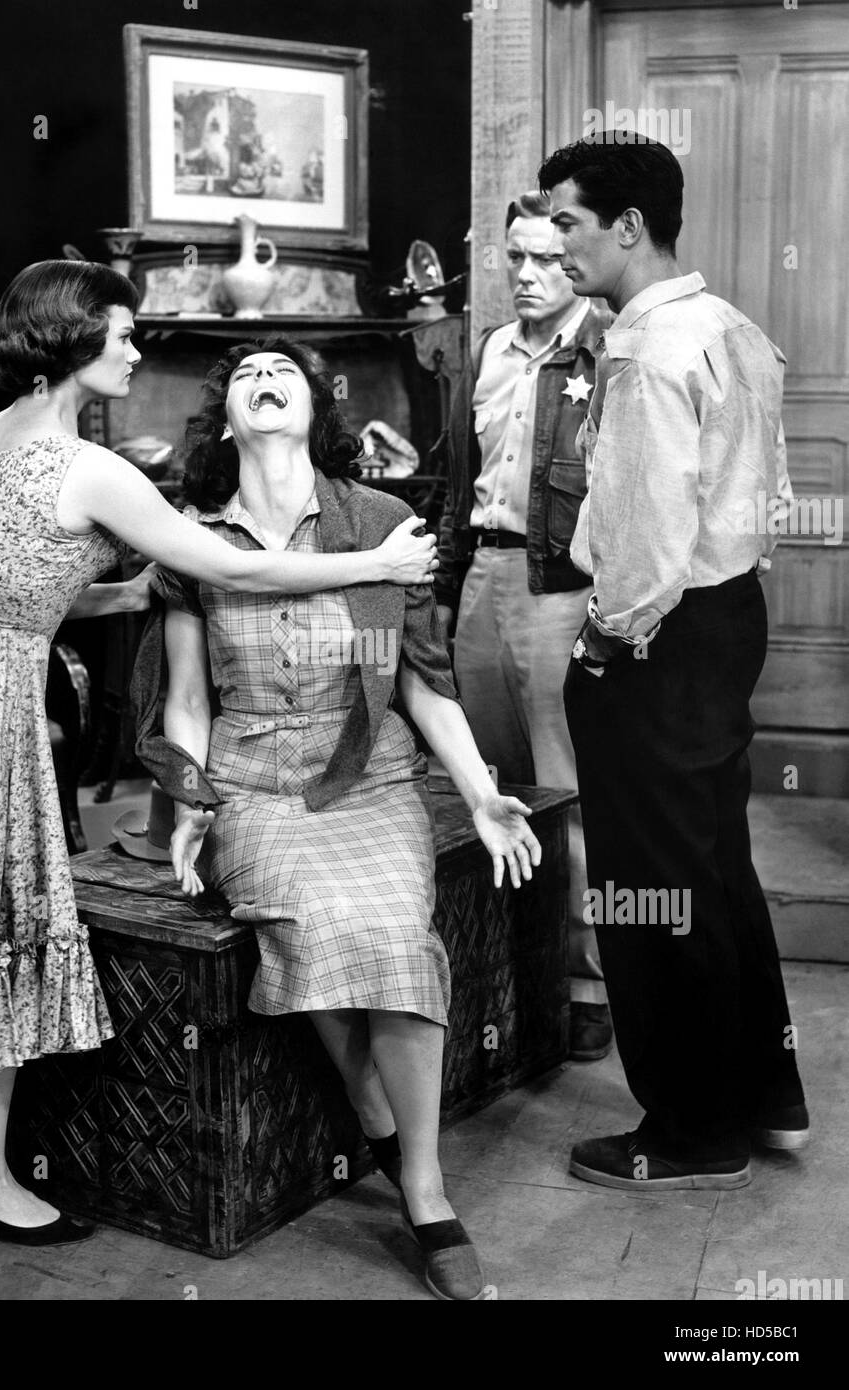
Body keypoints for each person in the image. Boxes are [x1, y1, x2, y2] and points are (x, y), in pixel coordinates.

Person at [0, 261, 437, 1247]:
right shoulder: (94, 469)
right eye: (120, 333)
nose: (133, 348)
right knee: (4, 925)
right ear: (76, 340)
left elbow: (13, 577)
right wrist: (375, 561)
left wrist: (133, 592)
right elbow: (237, 564)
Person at [149, 337, 542, 1300]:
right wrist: (192, 797)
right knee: (316, 923)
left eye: (282, 370)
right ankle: (373, 1109)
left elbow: (421, 681)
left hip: (364, 777)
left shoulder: (380, 522)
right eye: (244, 375)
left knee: (395, 937)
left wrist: (481, 787)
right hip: (252, 783)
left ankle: (423, 1187)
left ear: (315, 410)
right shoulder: (193, 535)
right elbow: (187, 699)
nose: (264, 379)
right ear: (227, 417)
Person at [536, 135, 808, 1189]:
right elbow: (762, 492)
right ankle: (762, 1093)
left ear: (625, 227)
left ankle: (691, 1127)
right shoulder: (729, 325)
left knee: (650, 889)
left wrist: (604, 641)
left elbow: (646, 541)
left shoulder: (645, 351)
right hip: (725, 615)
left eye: (566, 222)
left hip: (654, 636)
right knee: (713, 869)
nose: (555, 243)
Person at [436, 190, 614, 1062]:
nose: (529, 274)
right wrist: (442, 587)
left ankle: (582, 984)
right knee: (493, 781)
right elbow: (455, 483)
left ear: (575, 261)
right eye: (516, 257)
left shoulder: (606, 352)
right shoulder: (488, 353)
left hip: (563, 586)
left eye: (547, 257)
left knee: (564, 788)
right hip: (484, 574)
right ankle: (504, 968)